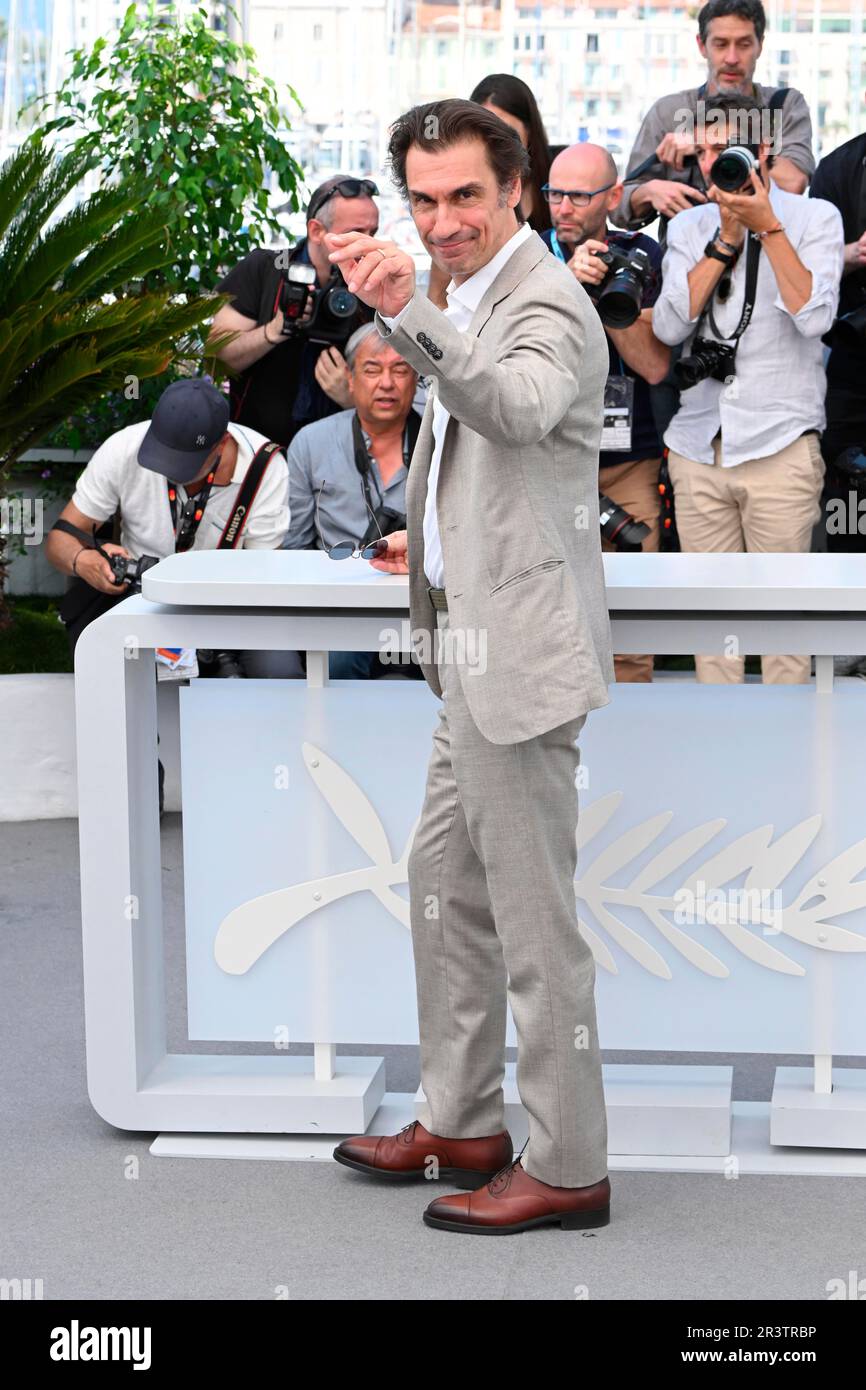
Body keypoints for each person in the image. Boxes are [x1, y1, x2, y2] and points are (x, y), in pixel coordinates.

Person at [327, 98, 614, 1236]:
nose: (441, 223)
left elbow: (519, 404)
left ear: (515, 195)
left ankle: (570, 1165)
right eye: (424, 199)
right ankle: (460, 1120)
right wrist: (430, 539)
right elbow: (473, 464)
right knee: (442, 893)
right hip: (466, 650)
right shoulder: (455, 295)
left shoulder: (545, 299)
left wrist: (404, 313)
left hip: (523, 659)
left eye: (464, 198)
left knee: (537, 931)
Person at [652, 91, 843, 684]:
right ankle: (719, 767)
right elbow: (668, 325)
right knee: (714, 631)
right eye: (703, 151)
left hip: (779, 444)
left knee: (785, 630)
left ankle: (788, 772)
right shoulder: (688, 224)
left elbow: (813, 317)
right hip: (698, 445)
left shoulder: (817, 218)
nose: (714, 164)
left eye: (726, 149)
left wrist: (769, 228)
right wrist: (724, 242)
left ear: (762, 149)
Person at [542, 141, 671, 682]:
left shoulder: (642, 258)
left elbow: (655, 367)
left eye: (578, 195)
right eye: (554, 194)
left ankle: (632, 756)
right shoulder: (523, 258)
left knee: (632, 630)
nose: (563, 207)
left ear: (614, 196)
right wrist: (567, 287)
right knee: (547, 627)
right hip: (542, 468)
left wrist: (612, 298)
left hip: (627, 465)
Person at [281, 322, 424, 680]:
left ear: (416, 379)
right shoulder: (310, 443)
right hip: (341, 605)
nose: (386, 383)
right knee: (339, 659)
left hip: (422, 603)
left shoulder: (441, 445)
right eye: (372, 370)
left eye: (400, 370)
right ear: (349, 377)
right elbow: (295, 547)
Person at [612, 0, 814, 240]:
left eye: (744, 44)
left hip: (765, 260)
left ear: (760, 45)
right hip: (685, 265)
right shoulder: (669, 111)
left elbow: (794, 182)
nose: (731, 58)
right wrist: (649, 191)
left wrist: (706, 143)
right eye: (720, 44)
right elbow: (618, 207)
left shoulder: (785, 105)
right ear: (702, 45)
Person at [209, 176, 379, 446]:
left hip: (336, 455)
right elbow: (216, 360)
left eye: (373, 233)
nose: (367, 244)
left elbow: (399, 385)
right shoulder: (264, 270)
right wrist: (273, 331)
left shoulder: (372, 289)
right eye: (356, 233)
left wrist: (352, 398)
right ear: (316, 230)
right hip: (260, 457)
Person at [426, 73, 551, 310]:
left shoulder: (558, 185)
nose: (495, 144)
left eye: (507, 132)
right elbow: (438, 299)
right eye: (483, 132)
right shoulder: (451, 203)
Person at [809, 125, 866, 553]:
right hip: (851, 358)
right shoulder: (841, 167)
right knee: (849, 508)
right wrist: (851, 254)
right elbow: (810, 279)